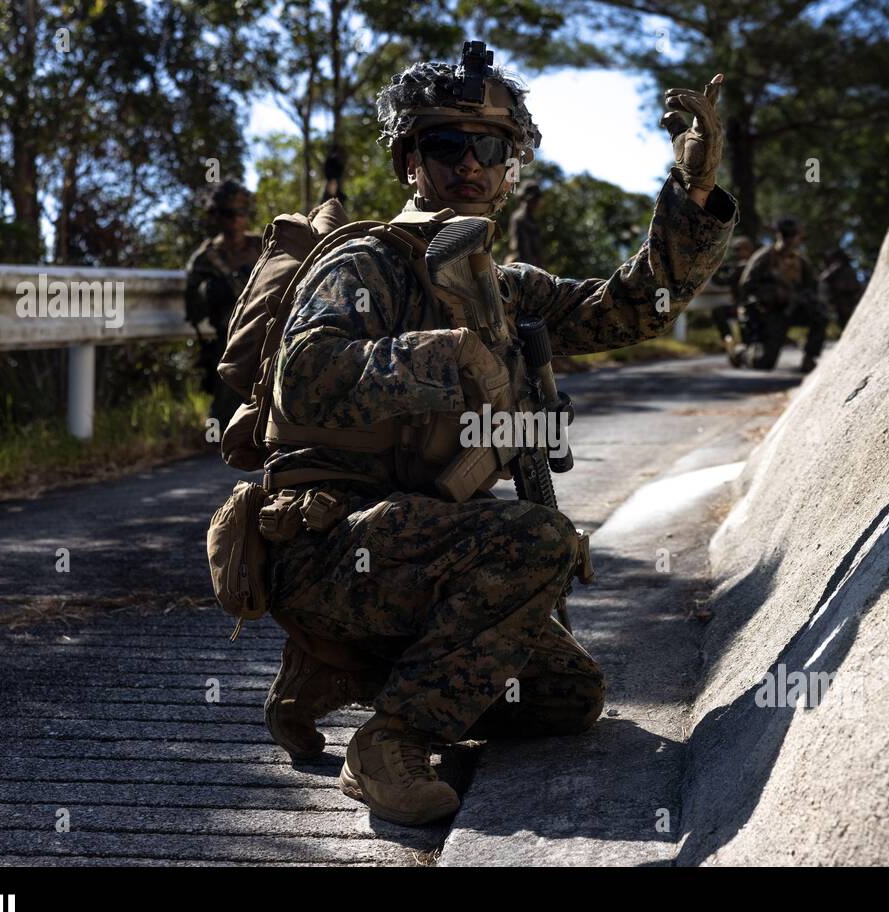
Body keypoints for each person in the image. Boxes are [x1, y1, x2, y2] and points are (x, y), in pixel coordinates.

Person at [260, 41, 736, 826]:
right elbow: (305, 374)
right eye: (448, 146)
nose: (471, 165)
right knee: (538, 539)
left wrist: (694, 190)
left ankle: (342, 670)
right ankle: (386, 744)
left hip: (422, 554)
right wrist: (447, 357)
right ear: (411, 159)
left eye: (491, 148)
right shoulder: (368, 263)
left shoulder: (500, 285)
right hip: (328, 548)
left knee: (567, 695)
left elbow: (628, 309)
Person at [185, 181, 263, 428]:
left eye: (242, 213)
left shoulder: (262, 246)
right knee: (226, 395)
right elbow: (193, 305)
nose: (237, 220)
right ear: (217, 216)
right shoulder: (206, 258)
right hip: (228, 335)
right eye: (230, 214)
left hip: (265, 328)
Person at [735, 217, 826, 373]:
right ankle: (740, 353)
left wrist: (803, 298)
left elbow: (812, 288)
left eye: (793, 235)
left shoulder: (801, 262)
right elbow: (746, 285)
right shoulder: (764, 257)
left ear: (799, 237)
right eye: (786, 235)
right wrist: (770, 293)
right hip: (771, 313)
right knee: (763, 363)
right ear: (778, 235)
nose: (789, 240)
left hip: (794, 309)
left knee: (820, 313)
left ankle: (809, 357)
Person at [710, 235, 755, 363]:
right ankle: (732, 343)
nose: (736, 253)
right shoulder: (751, 264)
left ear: (748, 250)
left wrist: (713, 269)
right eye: (735, 250)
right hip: (744, 306)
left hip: (746, 307)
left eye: (739, 249)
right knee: (720, 312)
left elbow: (721, 281)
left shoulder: (743, 266)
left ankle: (733, 343)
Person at [818, 248, 863, 331]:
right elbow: (823, 279)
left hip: (850, 296)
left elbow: (855, 283)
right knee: (844, 321)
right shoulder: (833, 269)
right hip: (839, 298)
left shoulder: (847, 269)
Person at [505, 181, 545, 267]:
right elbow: (519, 248)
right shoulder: (519, 218)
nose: (536, 202)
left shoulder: (533, 220)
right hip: (521, 266)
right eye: (534, 199)